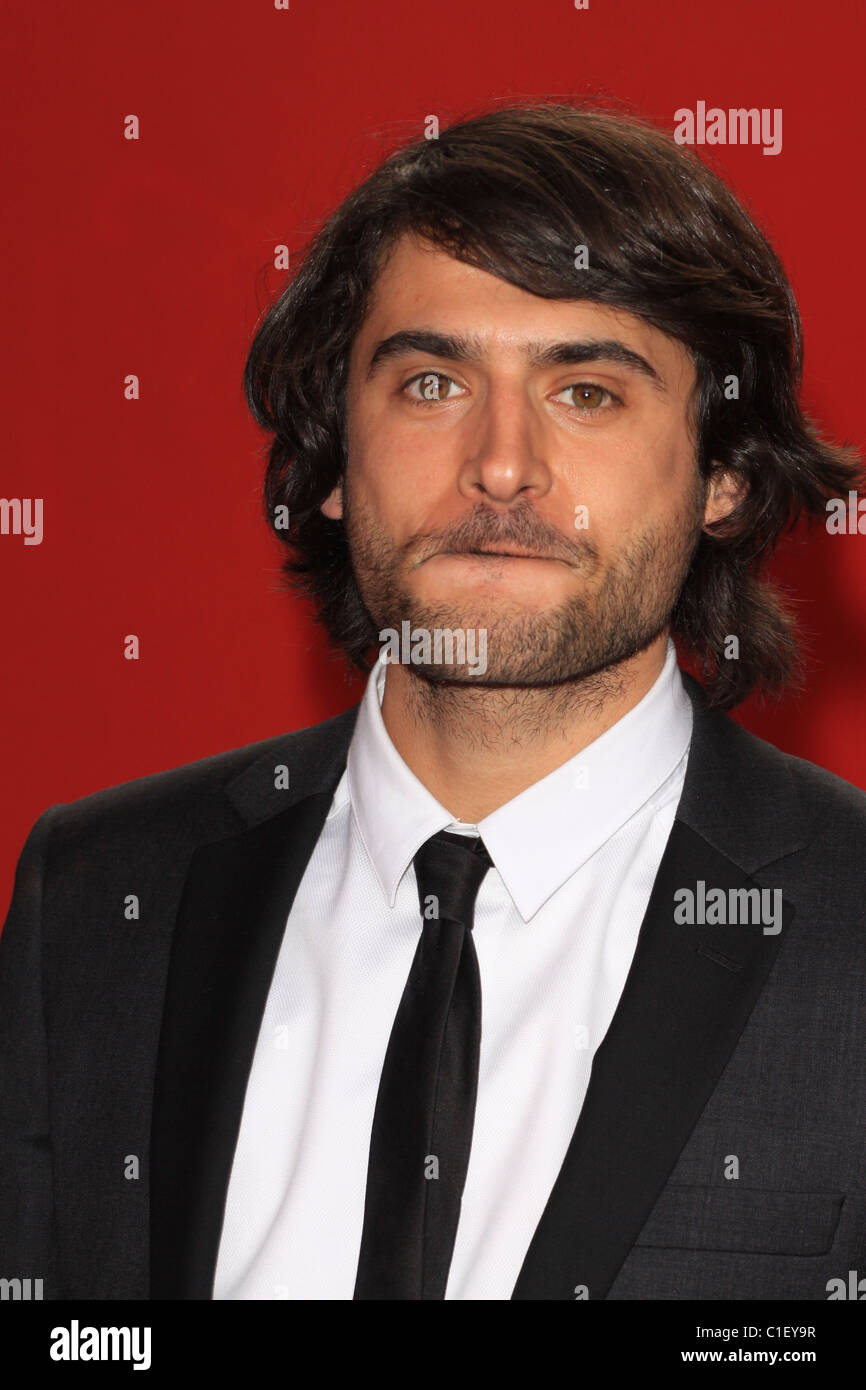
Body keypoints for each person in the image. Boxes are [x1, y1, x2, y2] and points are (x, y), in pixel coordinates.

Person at [1, 101, 864, 1302]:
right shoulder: (96, 892)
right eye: (429, 382)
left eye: (587, 392)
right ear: (332, 462)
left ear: (722, 474)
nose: (500, 464)